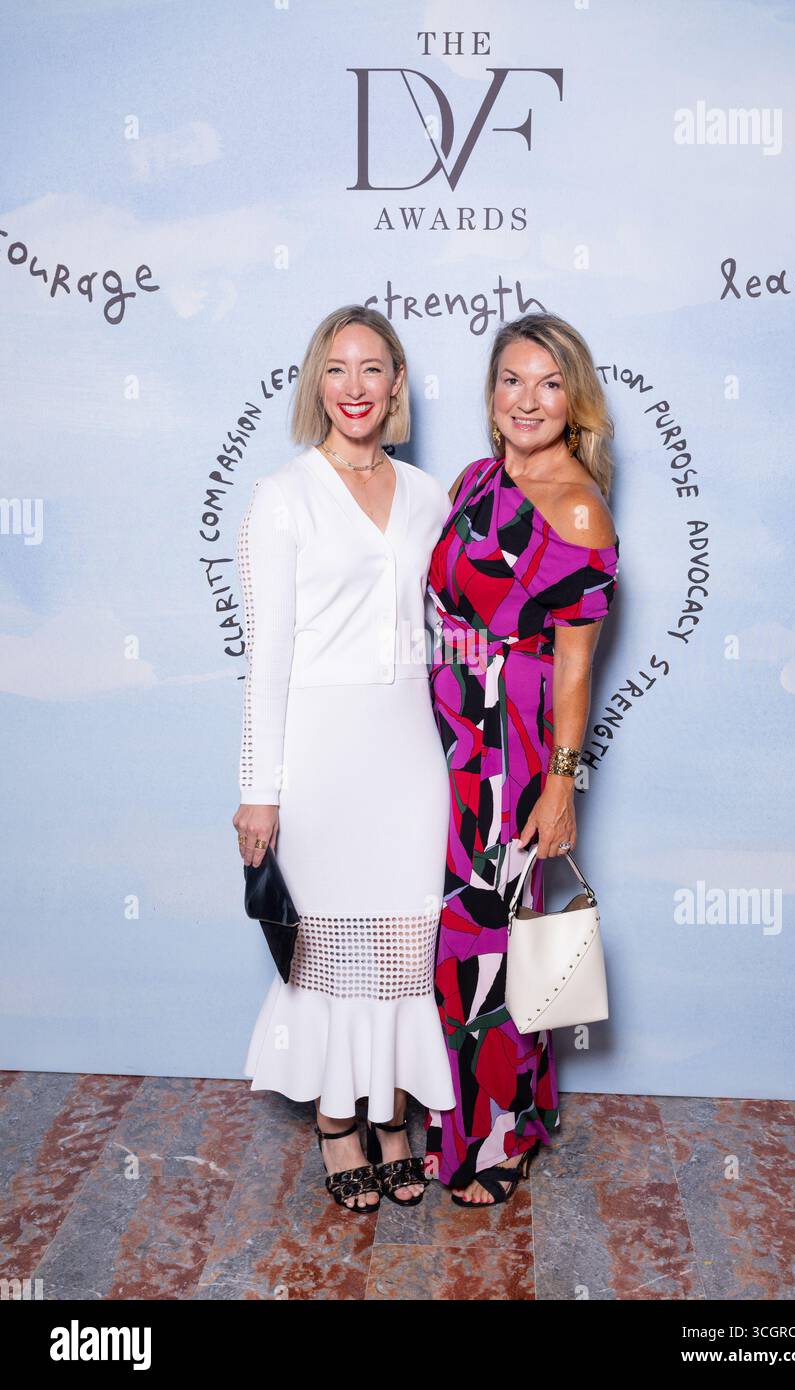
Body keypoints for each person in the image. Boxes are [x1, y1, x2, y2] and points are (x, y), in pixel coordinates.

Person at [233, 305, 456, 1212]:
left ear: (397, 384)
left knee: (406, 947)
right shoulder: (282, 496)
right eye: (338, 368)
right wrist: (258, 788)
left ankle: (395, 1116)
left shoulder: (434, 494)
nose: (355, 387)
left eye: (374, 369)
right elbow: (267, 656)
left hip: (409, 755)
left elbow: (453, 634)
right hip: (319, 759)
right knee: (329, 951)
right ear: (315, 383)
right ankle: (337, 1124)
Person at [424, 312, 621, 1206]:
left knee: (487, 944)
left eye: (548, 383)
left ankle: (497, 1138)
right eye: (511, 379)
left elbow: (576, 666)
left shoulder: (577, 506)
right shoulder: (475, 477)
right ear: (492, 393)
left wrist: (561, 784)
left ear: (573, 399)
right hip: (443, 744)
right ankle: (508, 1110)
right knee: (459, 940)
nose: (527, 399)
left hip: (508, 752)